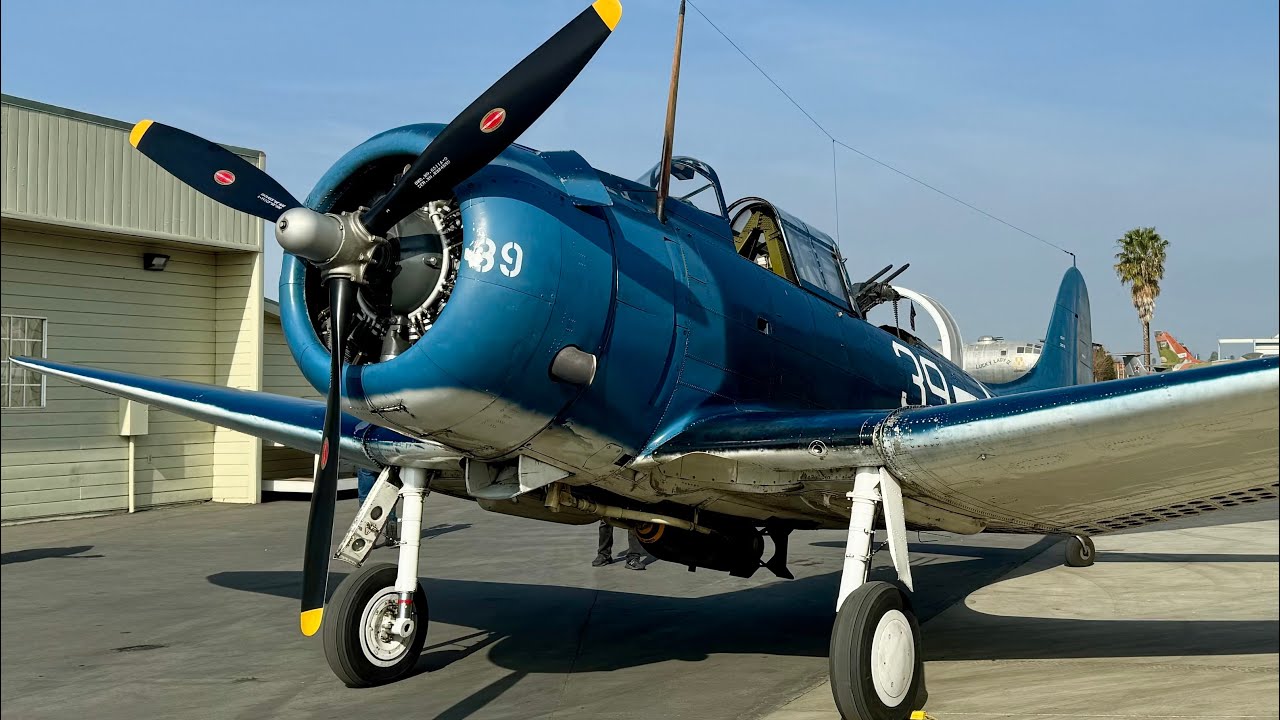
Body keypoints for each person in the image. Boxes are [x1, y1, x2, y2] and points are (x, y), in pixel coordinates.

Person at [357, 467, 398, 545]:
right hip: (386, 461)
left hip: (368, 462)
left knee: (366, 496)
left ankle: (368, 536)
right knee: (388, 493)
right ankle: (391, 527)